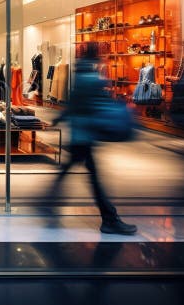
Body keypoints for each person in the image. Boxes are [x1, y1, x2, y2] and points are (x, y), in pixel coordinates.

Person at [49, 42, 138, 235]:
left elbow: (74, 104)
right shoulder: (91, 78)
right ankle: (109, 219)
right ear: (96, 56)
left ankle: (47, 203)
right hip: (84, 136)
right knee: (95, 180)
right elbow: (88, 106)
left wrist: (59, 118)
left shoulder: (81, 75)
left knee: (74, 173)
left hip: (80, 134)